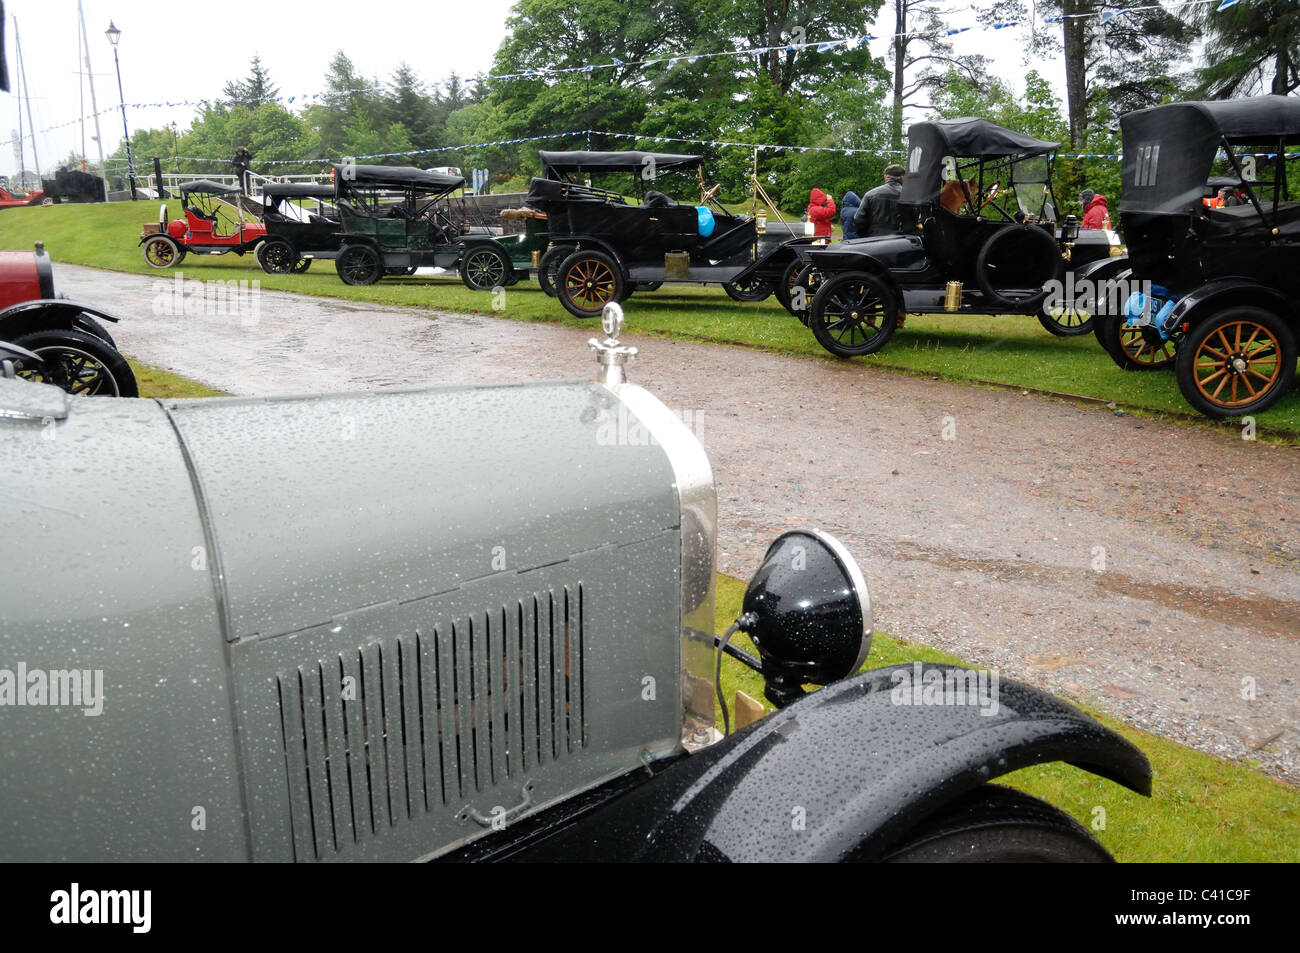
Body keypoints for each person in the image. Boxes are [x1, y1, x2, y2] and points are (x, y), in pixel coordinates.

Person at [853, 164, 906, 237]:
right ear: (903, 178)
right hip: (902, 242)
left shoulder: (870, 194)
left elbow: (858, 220)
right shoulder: (910, 196)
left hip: (874, 240)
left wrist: (866, 236)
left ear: (885, 177)